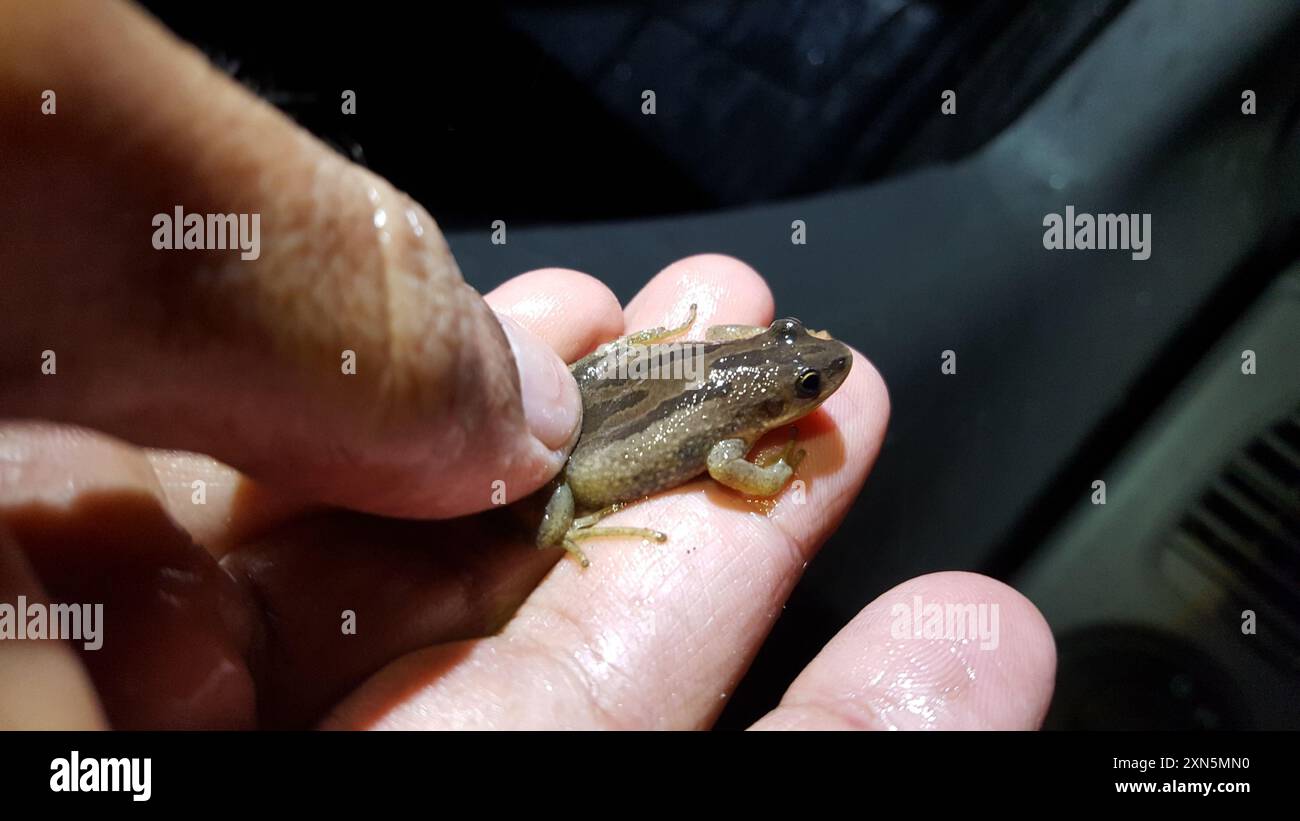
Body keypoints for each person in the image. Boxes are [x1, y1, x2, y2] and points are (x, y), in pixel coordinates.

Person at [0, 0, 1055, 729]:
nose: (812, 386)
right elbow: (734, 466)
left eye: (808, 378)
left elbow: (710, 419)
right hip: (558, 462)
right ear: (774, 381)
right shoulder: (740, 412)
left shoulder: (737, 389)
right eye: (806, 381)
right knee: (568, 477)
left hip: (589, 422)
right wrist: (769, 472)